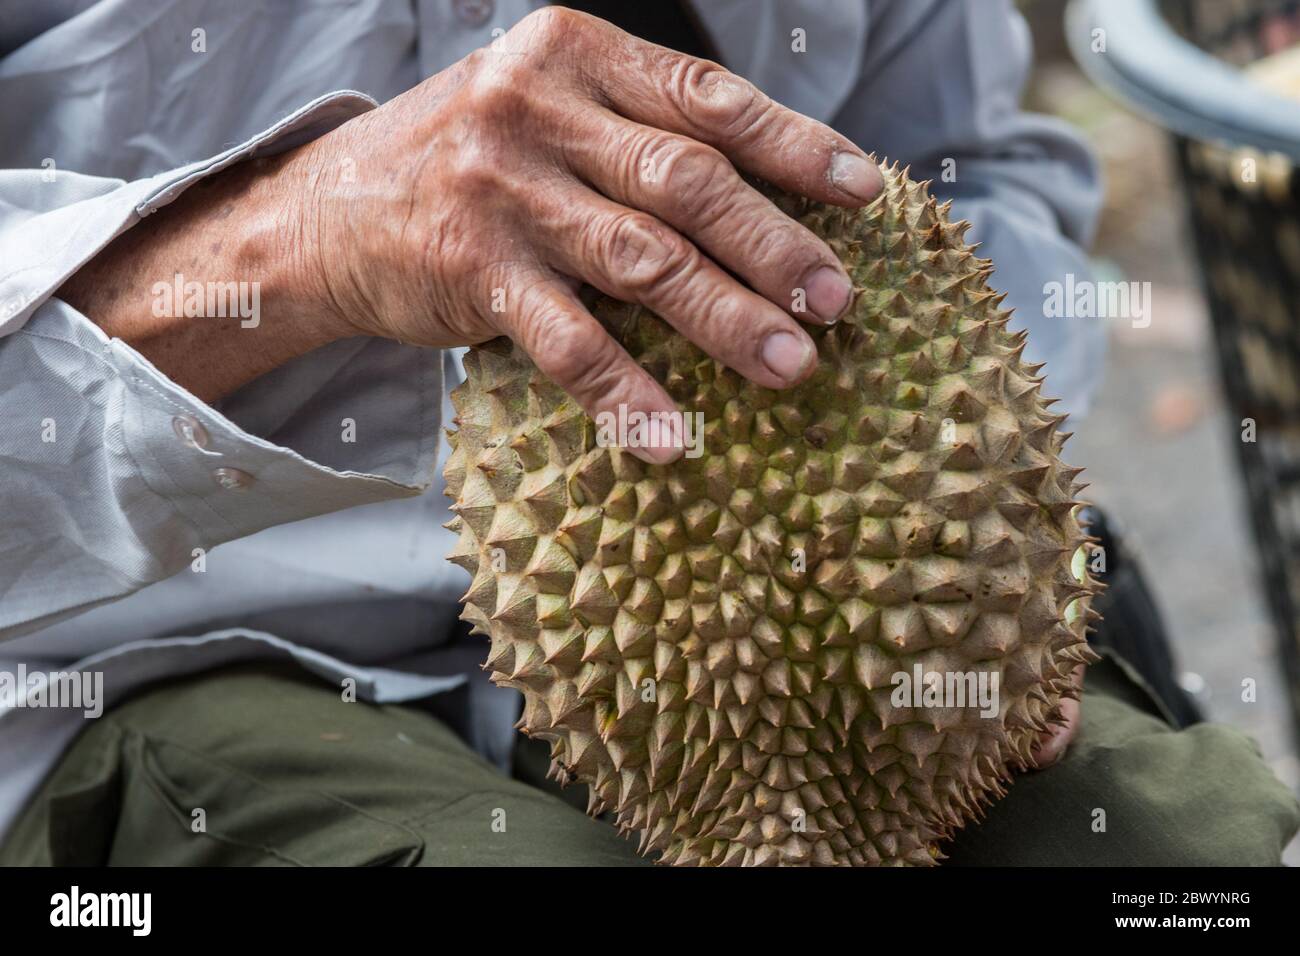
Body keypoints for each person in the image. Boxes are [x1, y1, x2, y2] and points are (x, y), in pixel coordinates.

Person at [0, 0, 1295, 866]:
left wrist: (990, 539)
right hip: (148, 659)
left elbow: (969, 166)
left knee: (1194, 853)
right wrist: (301, 243)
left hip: (823, 646)